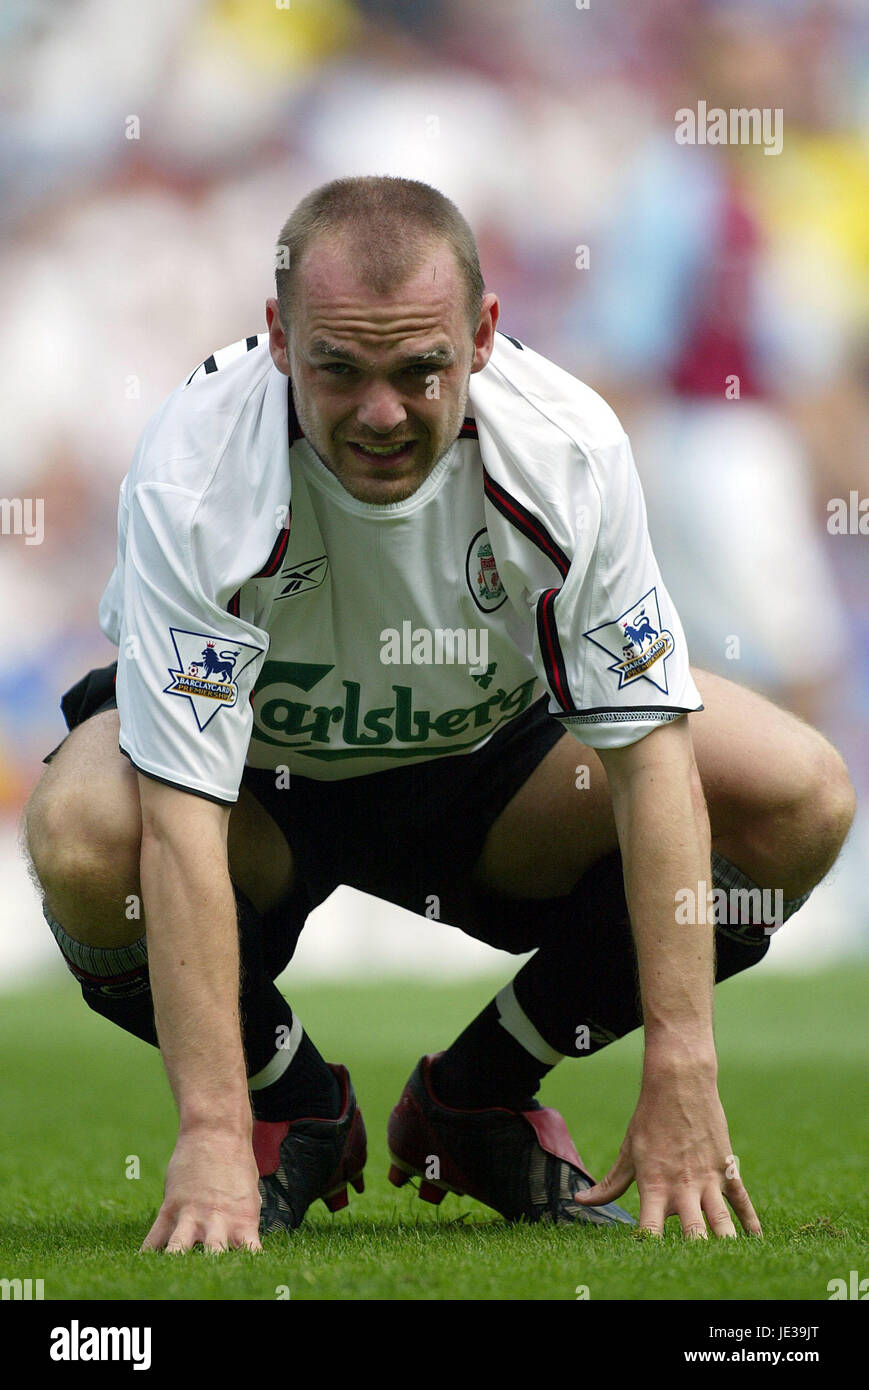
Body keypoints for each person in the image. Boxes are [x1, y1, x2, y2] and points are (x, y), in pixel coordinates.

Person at [22, 176, 855, 1254]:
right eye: (339, 369)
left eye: (420, 369)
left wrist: (683, 1070)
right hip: (256, 794)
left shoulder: (568, 449)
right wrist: (215, 1130)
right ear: (278, 338)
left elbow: (651, 760)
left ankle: (479, 1095)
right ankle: (295, 1101)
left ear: (484, 335)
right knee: (82, 834)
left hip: (493, 771)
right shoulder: (194, 470)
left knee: (799, 794)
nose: (380, 414)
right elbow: (182, 818)